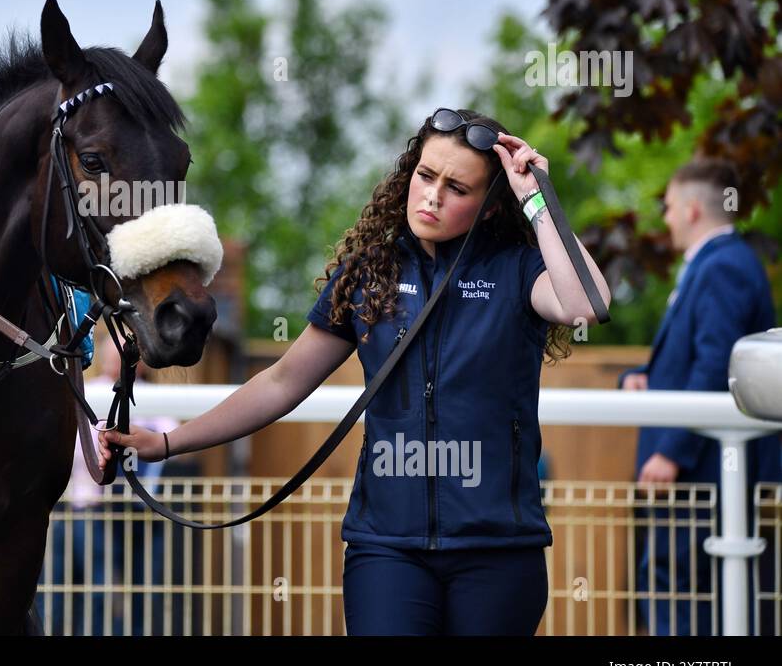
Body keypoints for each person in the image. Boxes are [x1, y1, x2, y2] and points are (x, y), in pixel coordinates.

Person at [100, 107, 612, 635]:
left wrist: (537, 197)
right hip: (387, 549)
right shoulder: (372, 271)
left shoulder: (517, 269)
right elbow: (280, 383)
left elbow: (586, 305)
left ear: (487, 206)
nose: (433, 196)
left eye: (458, 188)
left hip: (499, 550)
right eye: (426, 175)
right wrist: (166, 444)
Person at [620, 158, 780, 636]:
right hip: (704, 473)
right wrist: (642, 376)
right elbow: (694, 357)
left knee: (680, 591)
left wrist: (671, 450)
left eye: (668, 207)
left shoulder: (723, 266)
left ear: (691, 210)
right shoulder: (717, 264)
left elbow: (716, 364)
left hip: (703, 472)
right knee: (684, 588)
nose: (664, 218)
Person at [37, 328, 172, 634]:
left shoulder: (155, 396)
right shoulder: (92, 391)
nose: (119, 360)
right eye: (114, 353)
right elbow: (75, 445)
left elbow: (167, 439)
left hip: (138, 508)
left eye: (125, 354)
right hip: (90, 504)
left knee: (142, 585)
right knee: (92, 584)